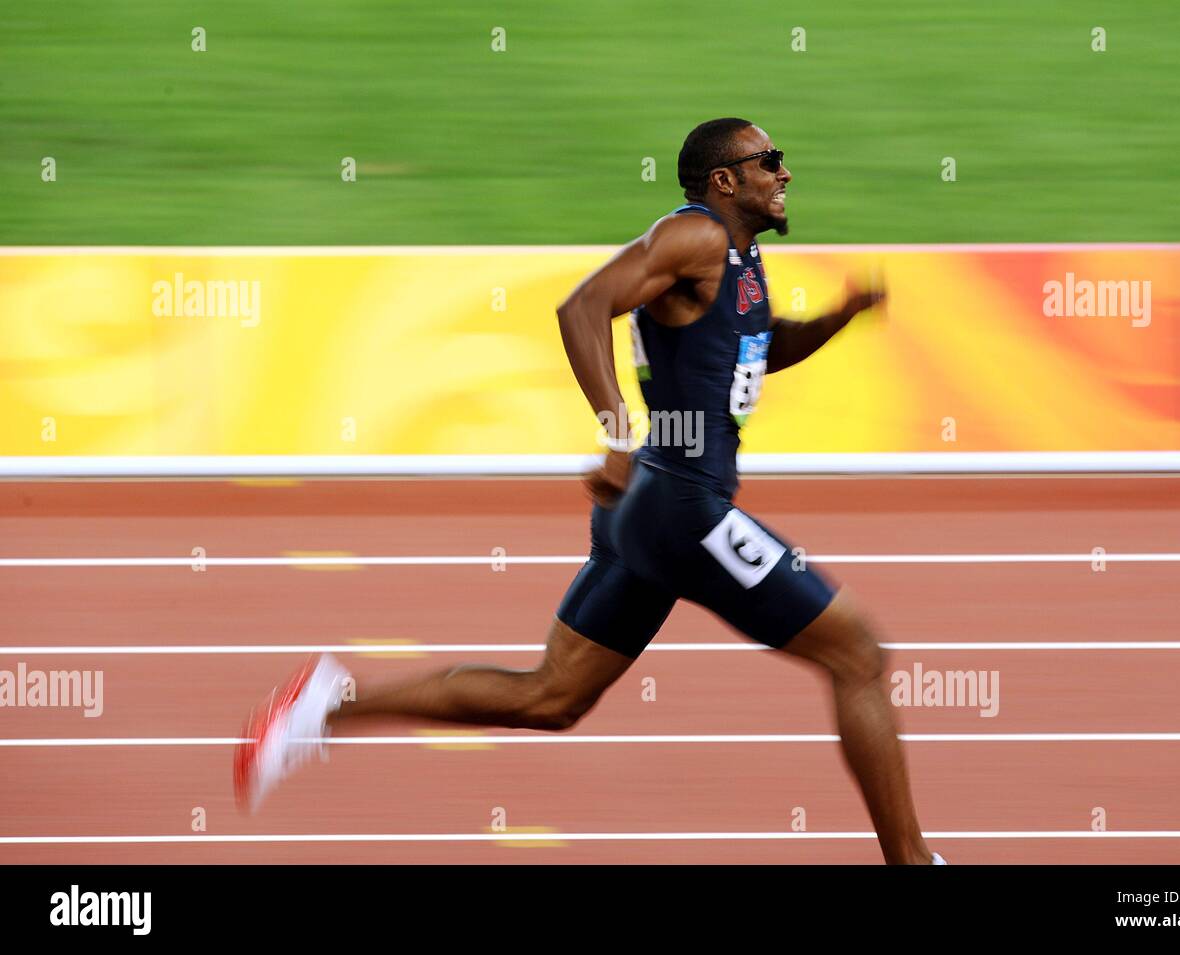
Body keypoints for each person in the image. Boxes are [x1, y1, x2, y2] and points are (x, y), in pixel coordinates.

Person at [235, 117, 944, 864]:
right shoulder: (693, 238)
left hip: (652, 513)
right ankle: (911, 860)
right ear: (724, 180)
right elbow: (581, 306)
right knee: (859, 654)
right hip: (682, 506)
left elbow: (755, 352)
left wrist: (838, 319)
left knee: (550, 696)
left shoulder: (740, 258)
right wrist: (613, 432)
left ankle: (325, 705)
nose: (785, 173)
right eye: (769, 161)